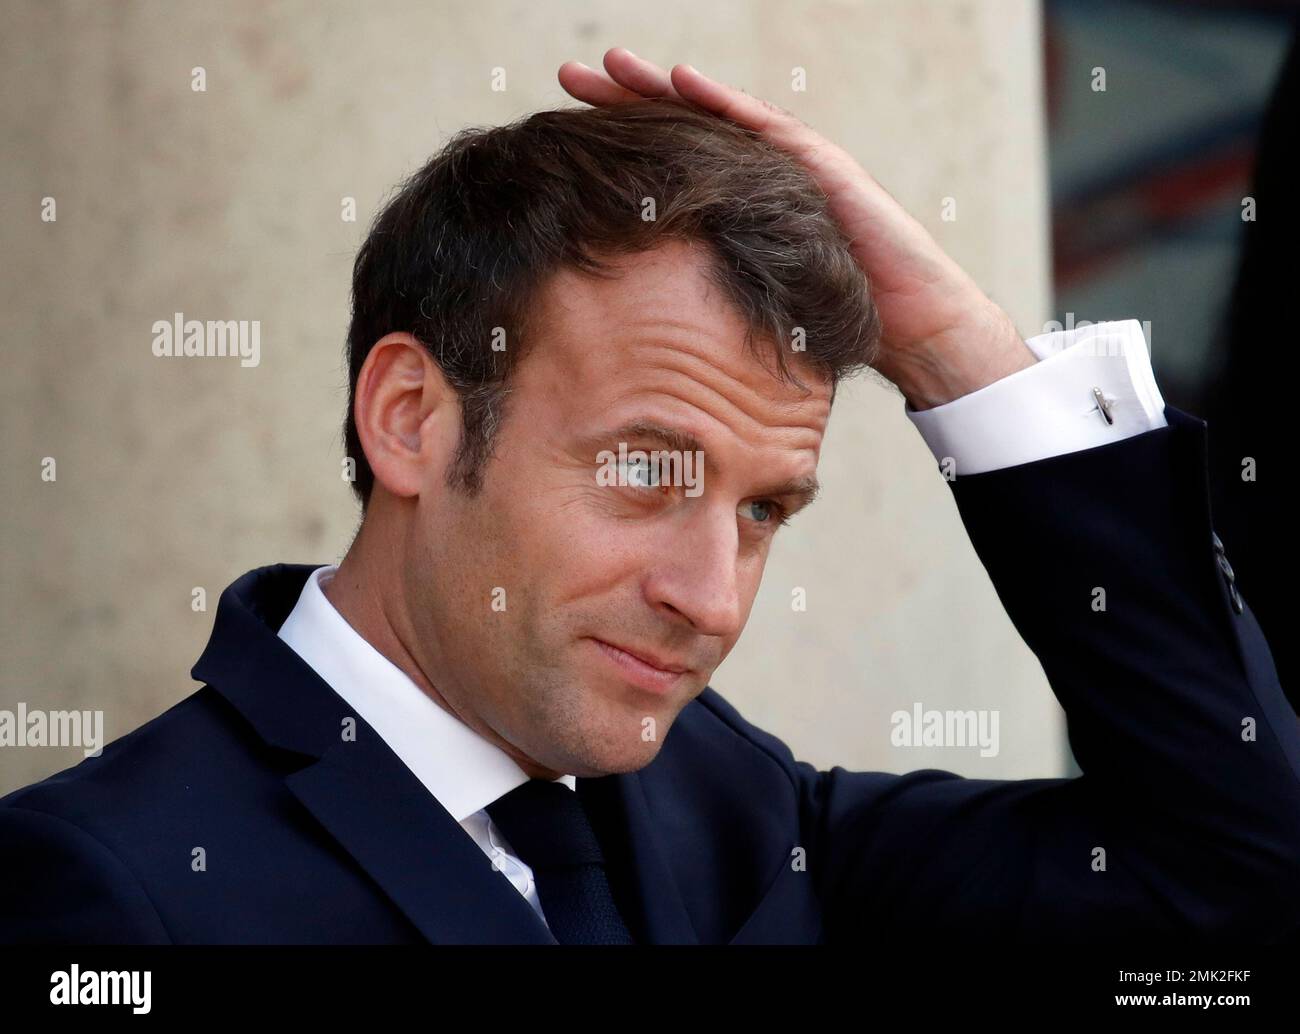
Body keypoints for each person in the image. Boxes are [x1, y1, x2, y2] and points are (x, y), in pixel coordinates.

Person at [2, 48, 1296, 945]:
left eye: (763, 510)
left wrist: (960, 355)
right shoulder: (112, 888)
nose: (710, 599)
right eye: (645, 470)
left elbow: (1235, 872)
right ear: (409, 418)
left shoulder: (740, 814)